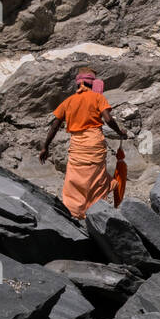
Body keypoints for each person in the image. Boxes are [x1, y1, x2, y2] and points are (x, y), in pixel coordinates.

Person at [39, 68, 129, 218]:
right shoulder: (97, 98)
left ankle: (75, 211)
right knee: (95, 175)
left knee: (75, 178)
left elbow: (54, 126)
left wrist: (45, 147)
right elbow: (108, 119)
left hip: (77, 144)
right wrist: (119, 132)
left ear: (77, 84)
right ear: (92, 84)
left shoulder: (69, 101)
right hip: (95, 142)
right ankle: (100, 203)